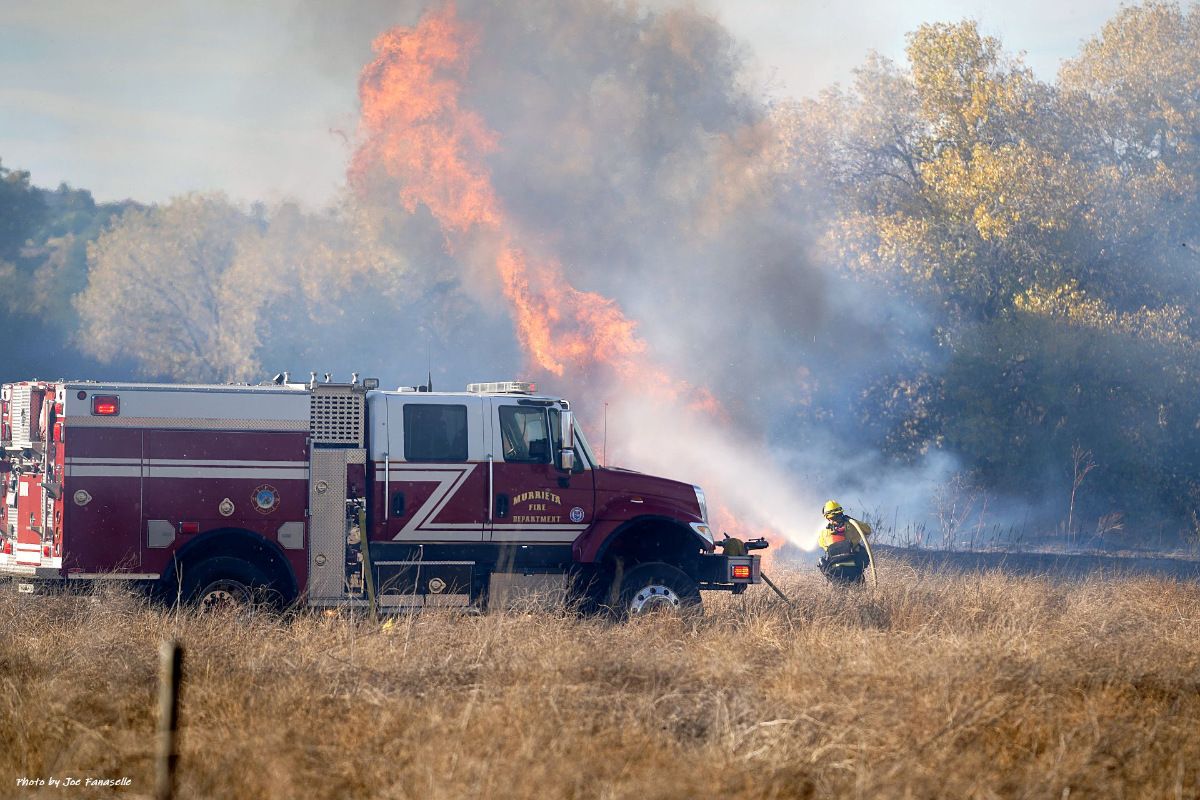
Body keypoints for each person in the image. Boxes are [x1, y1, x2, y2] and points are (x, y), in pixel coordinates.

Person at [817, 500, 872, 584]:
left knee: (822, 562)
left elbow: (823, 545)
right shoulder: (853, 526)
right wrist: (852, 520)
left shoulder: (824, 533)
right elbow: (868, 530)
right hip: (854, 570)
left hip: (837, 573)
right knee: (859, 592)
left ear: (827, 518)